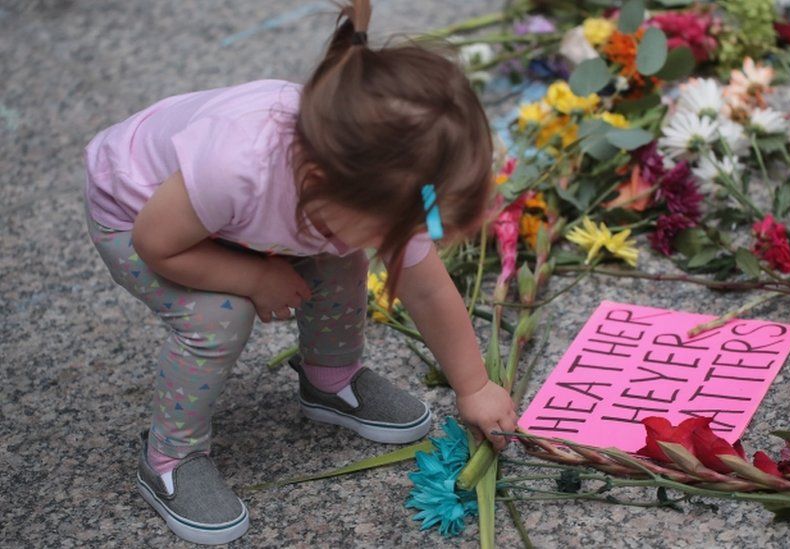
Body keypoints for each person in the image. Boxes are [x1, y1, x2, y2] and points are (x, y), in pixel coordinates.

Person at [84, 0, 517, 543]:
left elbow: (427, 287)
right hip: (140, 219)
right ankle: (170, 458)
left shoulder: (370, 174)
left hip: (227, 222)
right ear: (318, 179)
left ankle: (329, 380)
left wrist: (474, 386)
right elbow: (156, 244)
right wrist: (253, 279)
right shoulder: (236, 166)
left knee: (341, 251)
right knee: (219, 316)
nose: (397, 243)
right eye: (387, 227)